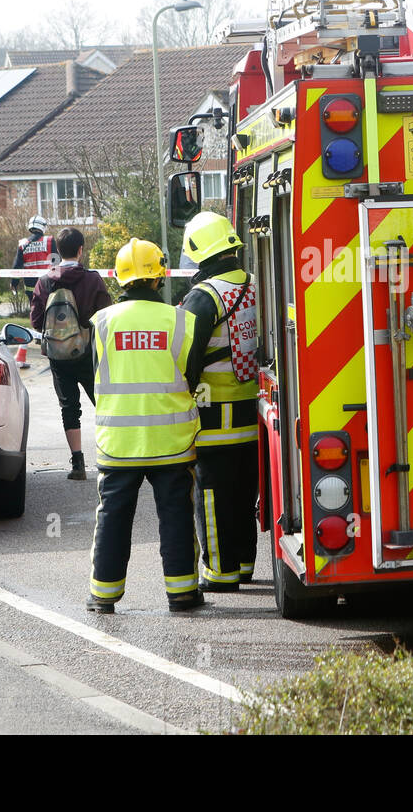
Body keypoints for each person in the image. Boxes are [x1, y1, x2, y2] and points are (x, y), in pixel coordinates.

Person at [86, 238, 203, 613]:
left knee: (114, 517)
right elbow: (192, 375)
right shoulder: (181, 320)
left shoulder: (102, 322)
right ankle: (182, 593)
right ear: (160, 276)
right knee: (176, 516)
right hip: (171, 440)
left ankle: (103, 596)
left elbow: (96, 378)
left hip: (119, 443)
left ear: (120, 278)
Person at [179, 211, 260, 592]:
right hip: (255, 414)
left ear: (199, 253)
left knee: (212, 496)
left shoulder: (203, 296)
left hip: (215, 421)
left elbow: (187, 360)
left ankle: (220, 573)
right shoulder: (258, 284)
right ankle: (244, 565)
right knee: (245, 494)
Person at [30, 228, 112, 480]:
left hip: (58, 356)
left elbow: (36, 322)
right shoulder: (93, 279)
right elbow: (106, 315)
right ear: (80, 250)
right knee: (104, 403)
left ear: (58, 250)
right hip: (88, 353)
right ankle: (109, 456)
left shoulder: (44, 281)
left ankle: (77, 464)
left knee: (69, 406)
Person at [12, 215, 59, 294]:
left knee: (33, 306)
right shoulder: (49, 241)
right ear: (43, 227)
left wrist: (14, 283)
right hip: (47, 286)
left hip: (31, 289)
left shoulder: (23, 244)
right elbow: (57, 262)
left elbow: (17, 266)